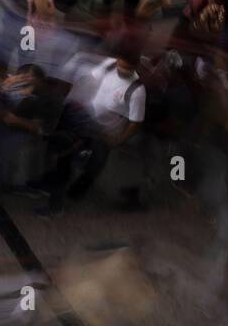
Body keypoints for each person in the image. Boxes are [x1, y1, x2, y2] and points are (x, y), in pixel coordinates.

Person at [35, 53, 146, 216]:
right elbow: (89, 82)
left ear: (136, 66)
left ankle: (73, 193)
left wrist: (118, 141)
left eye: (128, 67)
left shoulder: (137, 90)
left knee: (92, 166)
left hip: (104, 134)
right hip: (82, 123)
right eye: (121, 64)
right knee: (63, 161)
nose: (122, 68)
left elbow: (136, 121)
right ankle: (55, 203)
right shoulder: (109, 64)